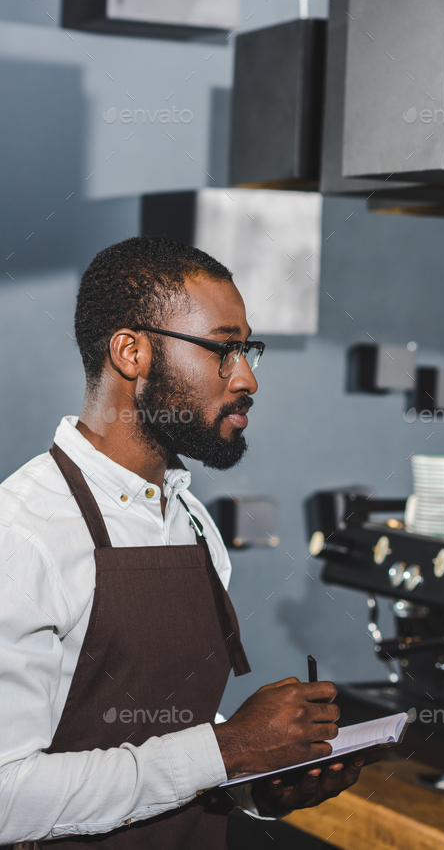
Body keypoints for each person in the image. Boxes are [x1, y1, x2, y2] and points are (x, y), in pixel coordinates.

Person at [0, 237, 381, 849]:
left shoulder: (191, 519)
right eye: (223, 349)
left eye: (247, 349)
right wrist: (230, 748)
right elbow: (6, 797)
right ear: (131, 352)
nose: (248, 376)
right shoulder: (21, 534)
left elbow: (170, 735)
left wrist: (257, 784)